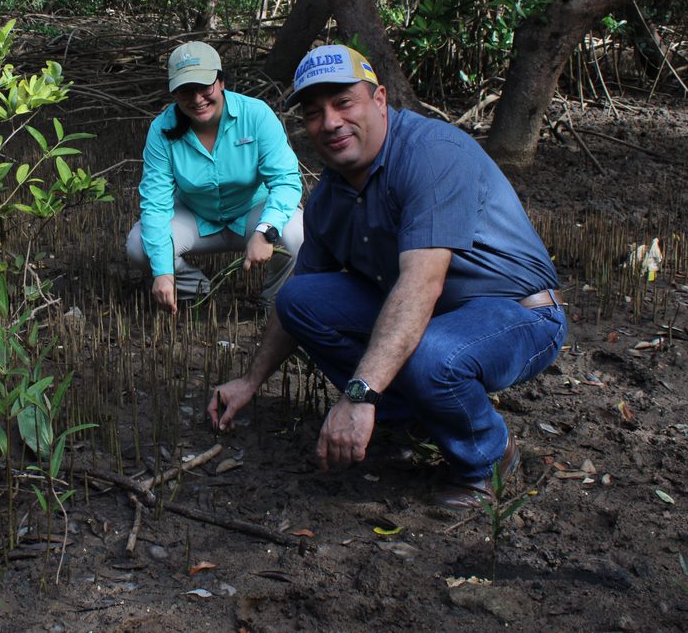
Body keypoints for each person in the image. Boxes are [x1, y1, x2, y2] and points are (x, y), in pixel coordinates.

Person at [208, 44, 566, 508]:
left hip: (518, 315)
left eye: (344, 103)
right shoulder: (329, 197)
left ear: (379, 100)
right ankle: (409, 419)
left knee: (431, 357)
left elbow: (421, 284)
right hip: (432, 314)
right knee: (299, 299)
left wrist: (358, 396)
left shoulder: (431, 154)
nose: (330, 122)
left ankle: (489, 457)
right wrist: (250, 381)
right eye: (314, 113)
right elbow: (297, 299)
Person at [125, 41, 304, 313]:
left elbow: (286, 181)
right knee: (139, 247)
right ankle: (194, 289)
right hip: (196, 215)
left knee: (295, 233)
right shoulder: (161, 130)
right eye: (186, 90)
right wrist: (162, 271)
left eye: (204, 87)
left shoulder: (256, 115)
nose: (197, 99)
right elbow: (156, 204)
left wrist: (266, 231)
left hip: (251, 212)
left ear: (221, 81)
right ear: (174, 92)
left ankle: (275, 302)